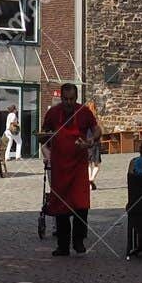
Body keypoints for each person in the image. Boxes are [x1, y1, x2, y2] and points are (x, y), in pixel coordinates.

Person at [41, 83, 98, 257]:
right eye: (65, 99)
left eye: (71, 99)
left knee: (81, 204)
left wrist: (90, 141)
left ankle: (79, 240)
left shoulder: (84, 112)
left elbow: (96, 129)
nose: (68, 103)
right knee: (61, 206)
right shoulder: (53, 113)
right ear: (61, 98)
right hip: (59, 165)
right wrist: (44, 141)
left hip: (79, 165)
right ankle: (63, 245)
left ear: (76, 97)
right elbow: (44, 133)